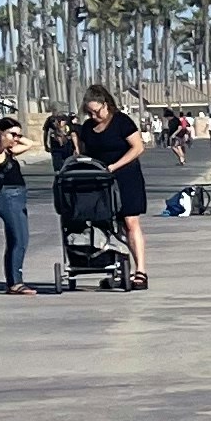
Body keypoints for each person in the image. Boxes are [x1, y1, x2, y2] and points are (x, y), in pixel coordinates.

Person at [76, 80, 151, 287]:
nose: (93, 116)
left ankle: (141, 271)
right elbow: (85, 153)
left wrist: (115, 166)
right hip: (101, 180)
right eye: (89, 113)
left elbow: (137, 148)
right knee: (109, 225)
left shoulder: (121, 121)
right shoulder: (88, 128)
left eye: (96, 112)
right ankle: (120, 262)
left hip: (126, 176)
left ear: (105, 104)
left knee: (130, 222)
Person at [0, 115, 33, 294]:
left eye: (18, 135)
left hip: (18, 197)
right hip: (8, 198)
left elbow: (30, 144)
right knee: (20, 240)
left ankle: (13, 281)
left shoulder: (9, 151)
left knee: (15, 240)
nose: (17, 139)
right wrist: (0, 136)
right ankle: (16, 283)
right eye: (13, 134)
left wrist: (13, 135)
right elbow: (1, 145)